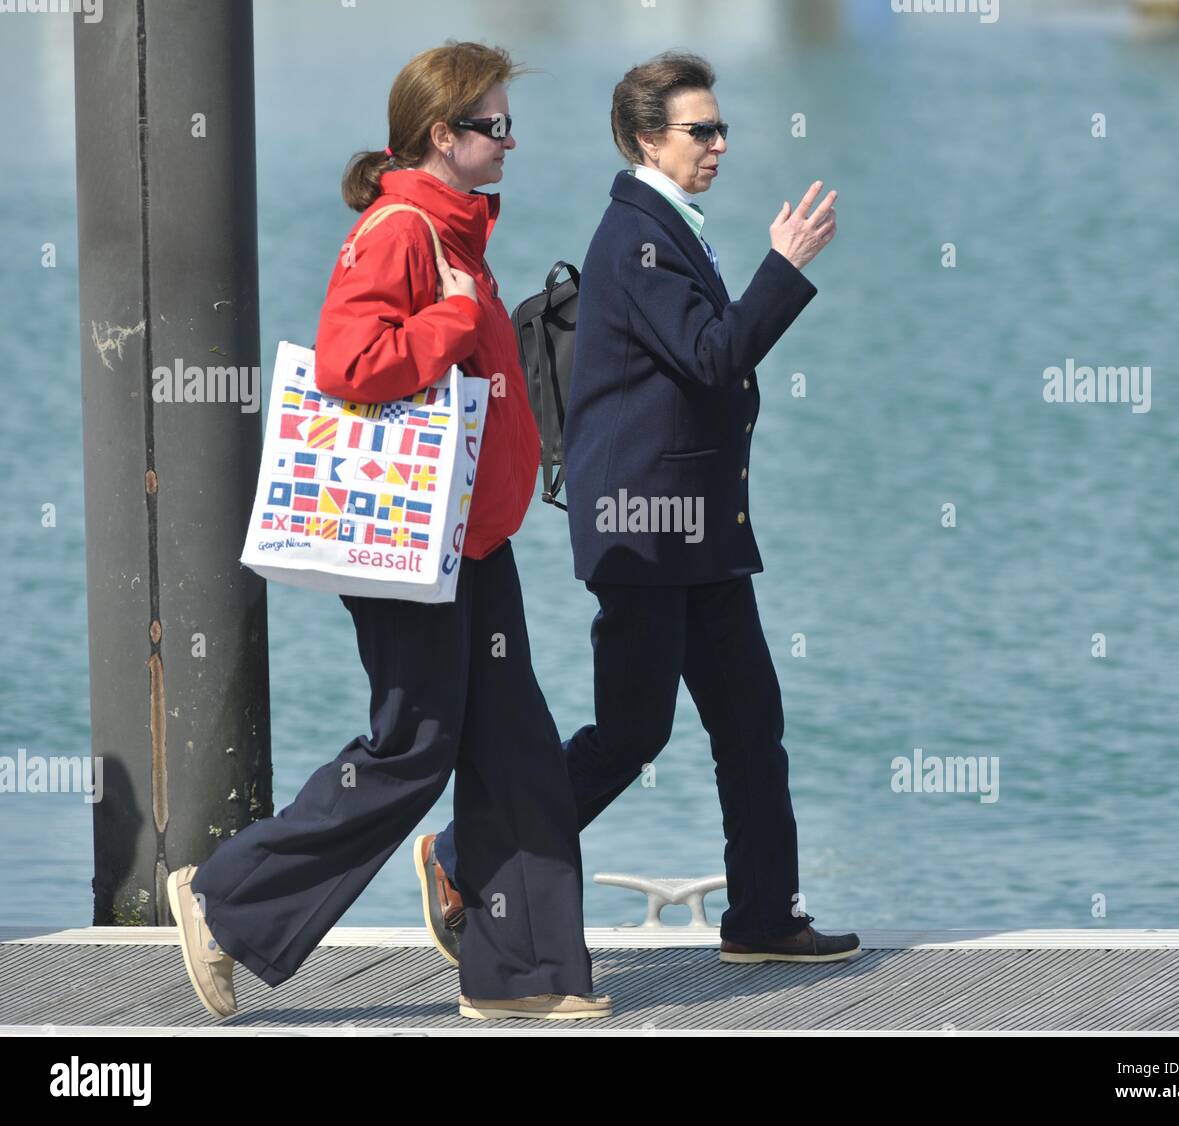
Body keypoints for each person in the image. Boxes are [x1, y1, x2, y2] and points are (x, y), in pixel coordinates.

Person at [166, 41, 611, 1022]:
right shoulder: (401, 229)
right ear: (440, 136)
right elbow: (348, 361)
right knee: (413, 744)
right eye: (492, 124)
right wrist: (454, 322)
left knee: (517, 748)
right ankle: (223, 900)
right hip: (409, 545)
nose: (509, 139)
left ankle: (521, 972)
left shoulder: (459, 234)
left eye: (507, 121)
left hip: (472, 544)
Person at [424, 51, 859, 966]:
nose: (719, 144)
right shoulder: (639, 237)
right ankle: (464, 857)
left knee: (750, 720)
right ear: (643, 140)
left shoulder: (670, 225)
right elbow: (713, 354)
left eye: (720, 127)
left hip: (696, 531)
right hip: (646, 533)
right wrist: (781, 269)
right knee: (631, 733)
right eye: (701, 130)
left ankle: (763, 916)